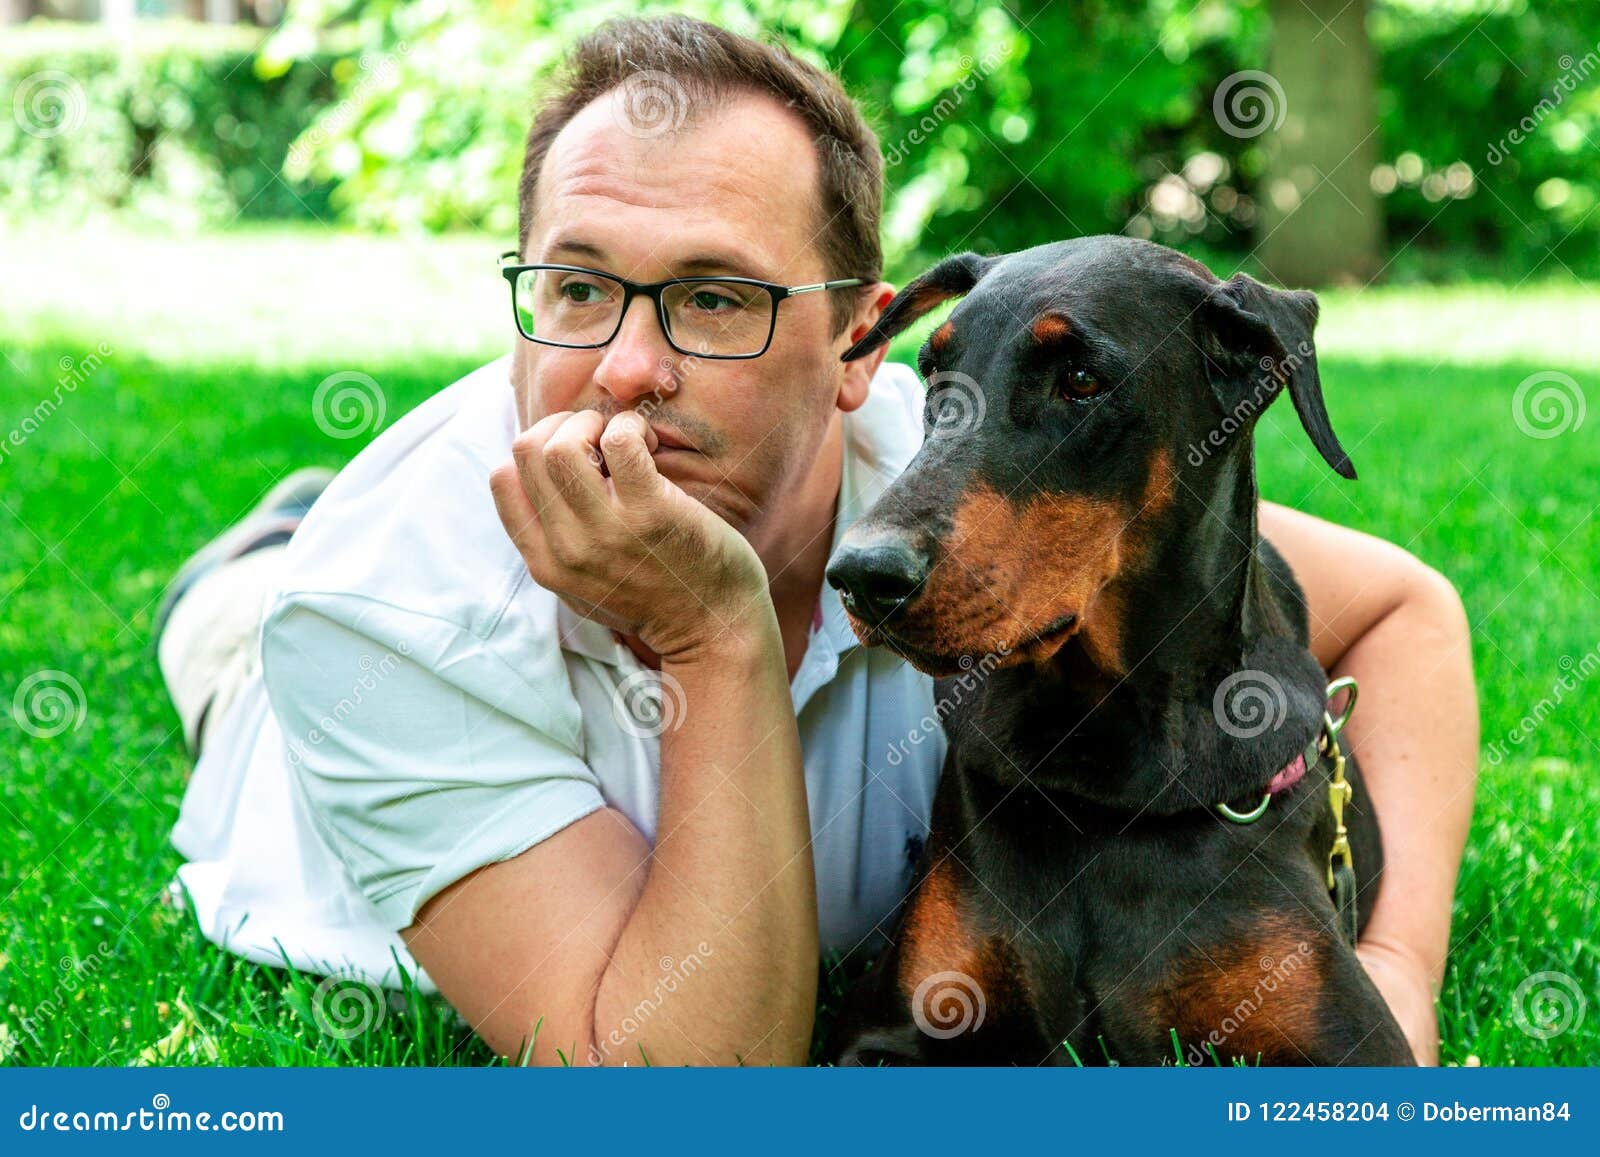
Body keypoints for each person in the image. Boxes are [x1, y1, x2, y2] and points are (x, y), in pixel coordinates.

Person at [160, 14, 1478, 1066]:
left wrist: (1402, 966)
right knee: (234, 637)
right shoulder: (376, 609)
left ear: (860, 344)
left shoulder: (934, 460)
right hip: (270, 721)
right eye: (576, 286)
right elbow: (688, 1078)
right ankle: (249, 557)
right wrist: (714, 632)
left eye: (714, 297)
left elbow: (1406, 608)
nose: (624, 369)